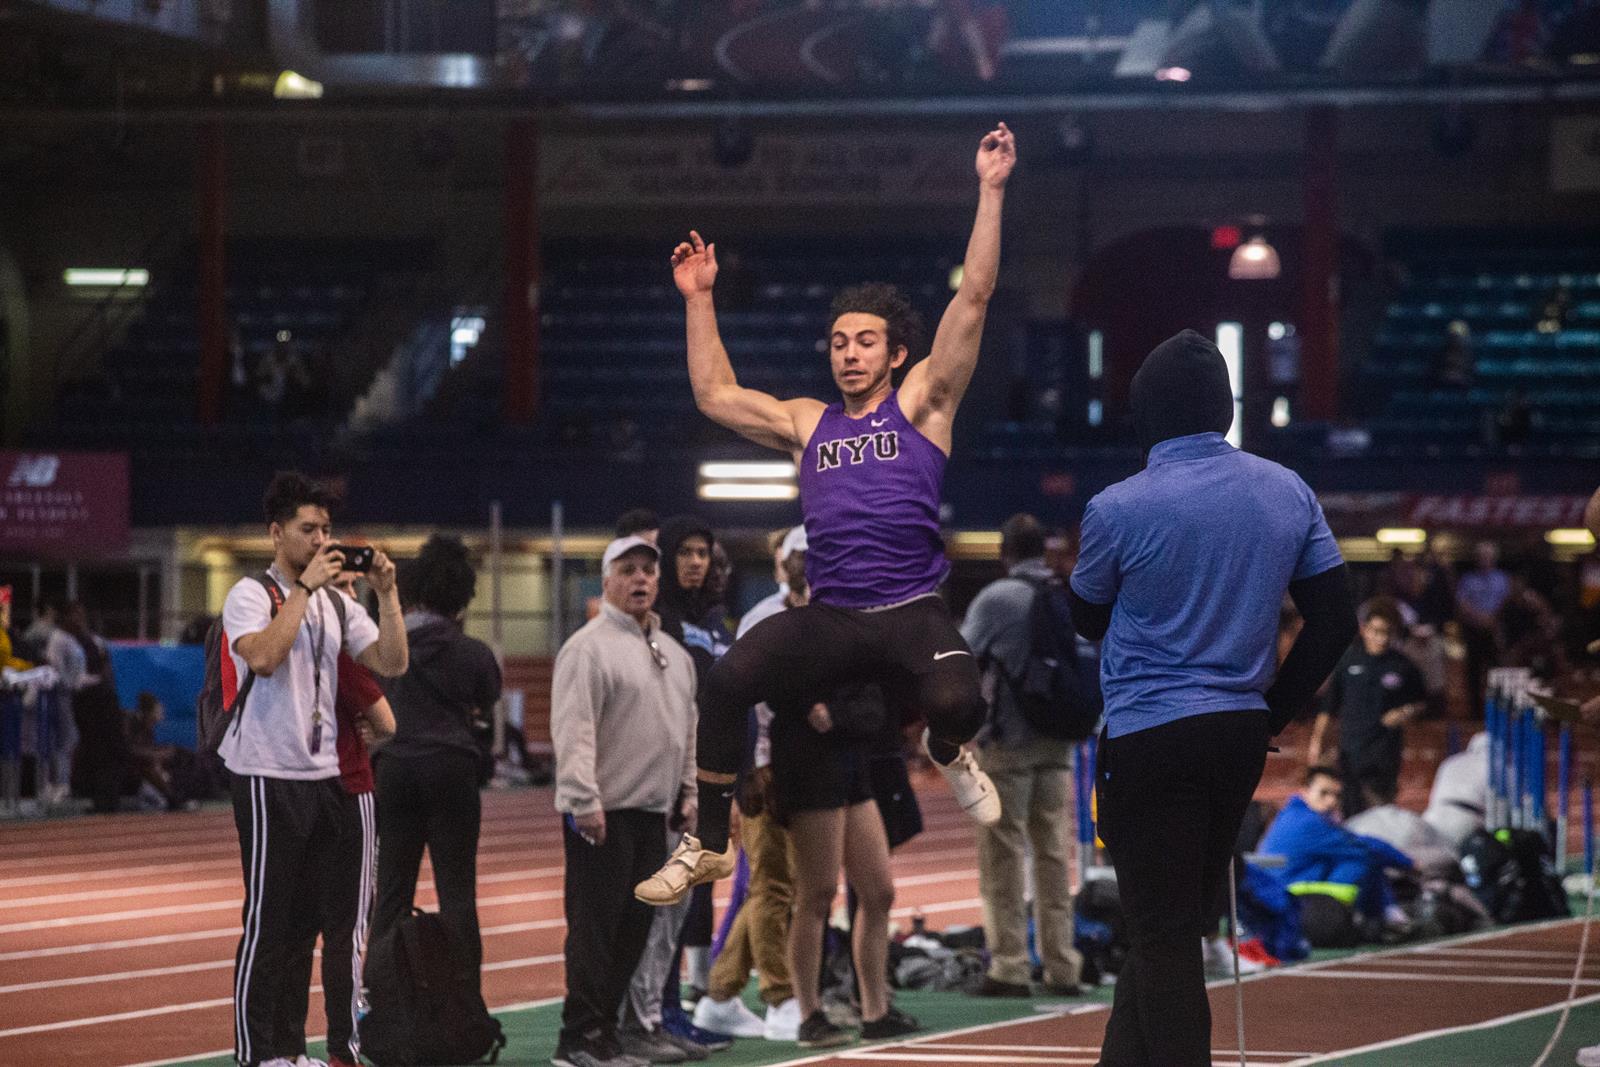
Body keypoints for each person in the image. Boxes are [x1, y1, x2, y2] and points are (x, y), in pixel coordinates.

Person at [637, 123, 1018, 906]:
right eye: (839, 342)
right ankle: (708, 843)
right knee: (726, 677)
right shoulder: (810, 421)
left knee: (958, 700)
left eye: (866, 342)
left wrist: (991, 188)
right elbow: (715, 395)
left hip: (911, 609)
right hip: (835, 615)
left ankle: (952, 749)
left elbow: (974, 296)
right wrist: (700, 299)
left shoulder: (923, 406)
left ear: (896, 356)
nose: (848, 354)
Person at [1065, 329, 1356, 1067]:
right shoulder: (1287, 488)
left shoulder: (1116, 508)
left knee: (1160, 934)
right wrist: (1272, 709)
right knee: (1166, 926)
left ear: (1145, 414)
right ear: (1223, 408)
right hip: (1235, 735)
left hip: (1148, 736)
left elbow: (1086, 615)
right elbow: (1336, 619)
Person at [222, 471, 408, 1067]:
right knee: (268, 921)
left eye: (327, 529)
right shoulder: (251, 594)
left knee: (304, 926)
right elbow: (267, 658)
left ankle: (291, 1049)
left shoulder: (335, 601)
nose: (322, 539)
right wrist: (302, 588)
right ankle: (257, 1054)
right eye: (309, 530)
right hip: (266, 773)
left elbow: (390, 662)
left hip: (324, 776)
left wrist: (387, 592)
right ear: (277, 533)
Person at [551, 535, 698, 1067]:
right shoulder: (586, 649)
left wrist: (688, 791)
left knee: (634, 930)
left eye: (648, 572)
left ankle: (606, 1033)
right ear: (607, 579)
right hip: (603, 814)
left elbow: (687, 730)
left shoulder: (674, 655)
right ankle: (577, 1039)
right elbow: (574, 732)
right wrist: (582, 801)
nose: (640, 579)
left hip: (651, 815)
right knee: (595, 930)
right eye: (628, 570)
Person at [620, 516, 731, 1063]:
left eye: (703, 552)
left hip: (709, 775)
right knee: (659, 900)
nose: (695, 562)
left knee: (691, 899)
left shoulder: (712, 618)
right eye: (685, 552)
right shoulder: (660, 623)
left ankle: (674, 1009)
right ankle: (654, 1012)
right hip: (665, 777)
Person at [962, 512, 1087, 998]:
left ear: (1004, 554)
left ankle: (1011, 966)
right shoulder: (1066, 595)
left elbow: (962, 656)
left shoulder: (997, 598)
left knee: (1004, 855)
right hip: (1059, 740)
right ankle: (1063, 965)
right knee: (1053, 855)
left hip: (1010, 742)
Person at [371, 535, 502, 987]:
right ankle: (465, 1004)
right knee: (457, 891)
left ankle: (378, 1002)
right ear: (463, 597)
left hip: (393, 769)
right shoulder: (474, 654)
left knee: (390, 890)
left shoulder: (385, 649)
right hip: (451, 770)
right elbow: (487, 702)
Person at [693, 529, 805, 1043]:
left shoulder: (824, 610)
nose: (811, 564)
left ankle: (720, 992)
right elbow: (744, 699)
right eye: (802, 556)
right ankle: (781, 996)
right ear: (783, 563)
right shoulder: (765, 618)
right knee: (773, 886)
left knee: (783, 886)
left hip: (802, 766)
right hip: (768, 769)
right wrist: (754, 767)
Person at [316, 569, 396, 1067]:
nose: (350, 599)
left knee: (290, 928)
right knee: (347, 929)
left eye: (353, 588)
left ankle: (276, 1047)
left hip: (291, 792)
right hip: (348, 787)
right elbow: (387, 722)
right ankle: (343, 1045)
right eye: (342, 587)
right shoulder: (341, 658)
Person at [1258, 766, 1415, 940]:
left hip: (1277, 892)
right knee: (1365, 861)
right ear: (1305, 791)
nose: (1331, 801)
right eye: (1324, 793)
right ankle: (1386, 918)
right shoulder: (1309, 823)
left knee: (1356, 858)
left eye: (1336, 795)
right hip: (1291, 894)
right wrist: (1408, 863)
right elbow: (1363, 847)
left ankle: (1387, 915)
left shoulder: (1292, 814)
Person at [1306, 597, 1427, 819]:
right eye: (1376, 631)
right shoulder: (1348, 661)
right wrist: (1317, 740)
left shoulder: (1403, 665)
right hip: (1351, 749)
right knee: (1350, 810)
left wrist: (1405, 712)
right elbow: (1329, 705)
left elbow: (1421, 702)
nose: (1381, 638)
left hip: (1384, 750)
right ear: (1365, 629)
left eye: (1387, 632)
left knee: (1380, 812)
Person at [1456, 540, 1511, 715]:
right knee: (1473, 670)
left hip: (1495, 631)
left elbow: (1508, 603)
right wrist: (1481, 618)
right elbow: (1462, 604)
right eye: (1481, 557)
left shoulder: (1502, 579)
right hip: (1474, 631)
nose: (1484, 560)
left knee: (1496, 670)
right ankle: (1475, 710)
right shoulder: (1468, 579)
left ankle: (1498, 707)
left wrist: (1493, 620)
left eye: (1488, 557)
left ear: (1494, 558)